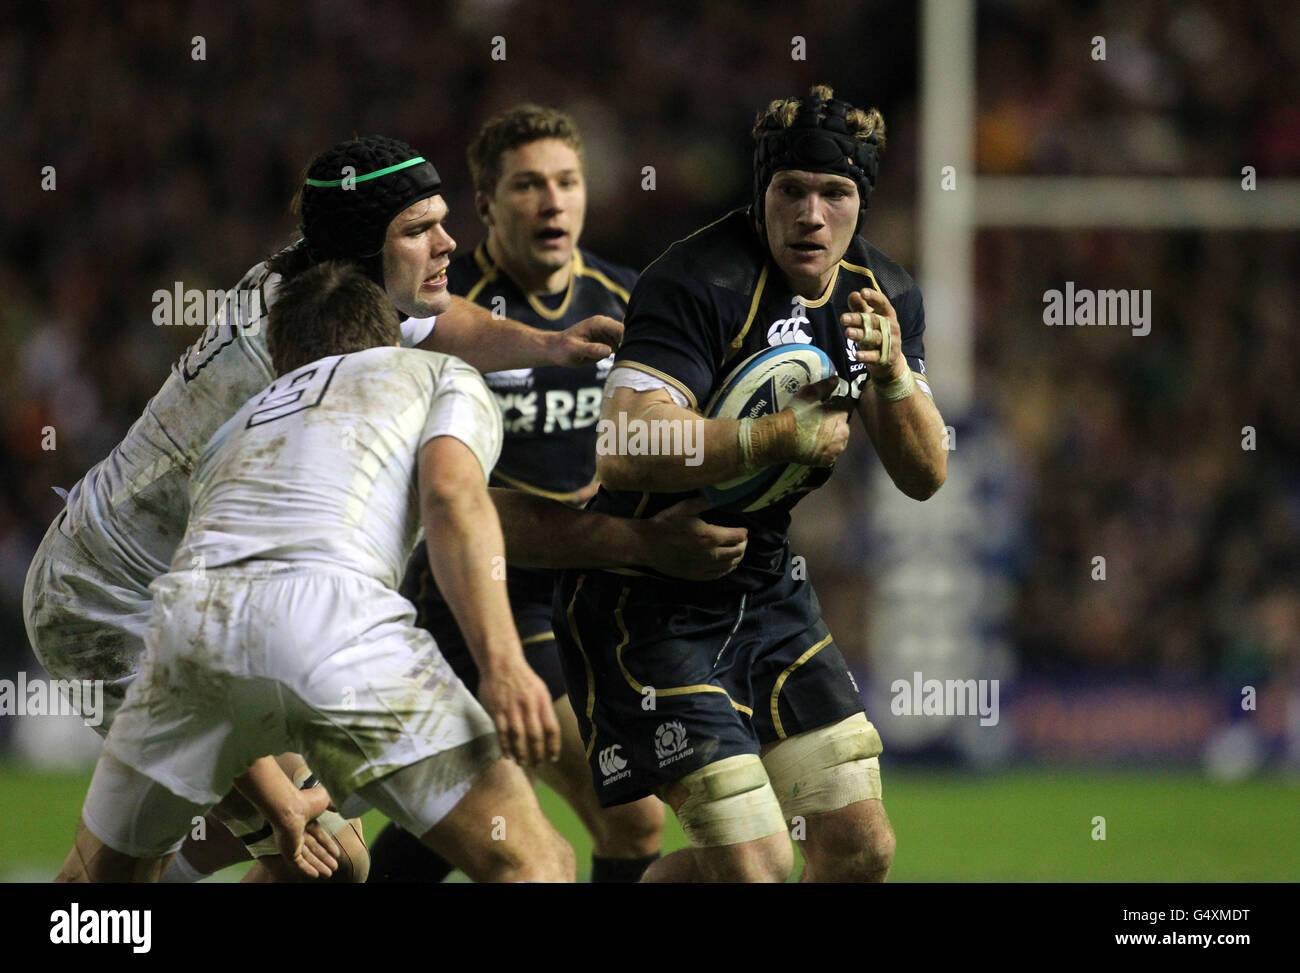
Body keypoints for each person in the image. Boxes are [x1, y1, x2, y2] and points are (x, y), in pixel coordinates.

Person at [24, 135, 622, 882]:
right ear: (363, 253)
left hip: (202, 607)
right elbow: (446, 495)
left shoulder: (317, 290)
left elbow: (437, 317)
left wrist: (550, 344)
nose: (448, 244)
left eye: (442, 220)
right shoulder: (275, 369)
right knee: (302, 848)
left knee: (311, 858)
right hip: (113, 600)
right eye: (418, 229)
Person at [555, 85, 948, 882]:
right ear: (761, 193)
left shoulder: (882, 293)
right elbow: (622, 442)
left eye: (835, 193)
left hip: (765, 591)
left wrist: (897, 375)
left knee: (859, 847)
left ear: (860, 203)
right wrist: (772, 436)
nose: (811, 213)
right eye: (791, 190)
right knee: (754, 865)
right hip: (644, 600)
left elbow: (926, 475)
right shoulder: (699, 281)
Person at [369, 105, 667, 884]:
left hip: (592, 592)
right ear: (486, 205)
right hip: (482, 597)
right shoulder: (439, 307)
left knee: (480, 815)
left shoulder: (625, 298)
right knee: (625, 817)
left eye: (567, 182)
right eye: (528, 185)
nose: (553, 202)